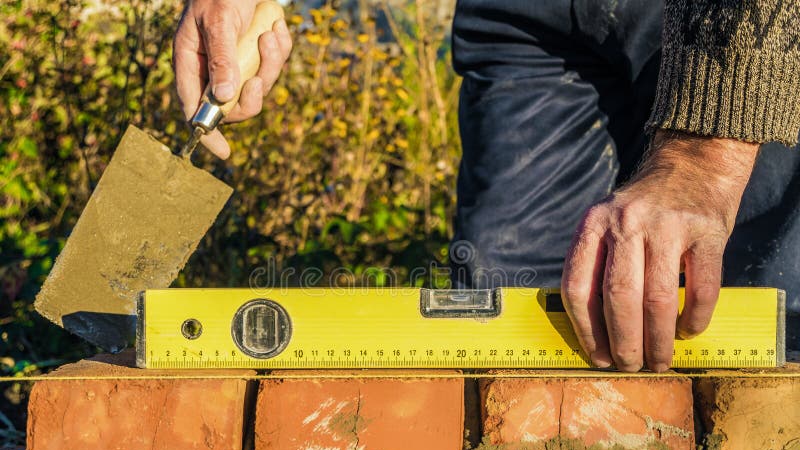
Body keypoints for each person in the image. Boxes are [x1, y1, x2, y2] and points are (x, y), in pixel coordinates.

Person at [173, 0, 800, 372]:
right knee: (511, 328)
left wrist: (703, 157)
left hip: (730, 20)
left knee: (744, 328)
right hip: (525, 22)